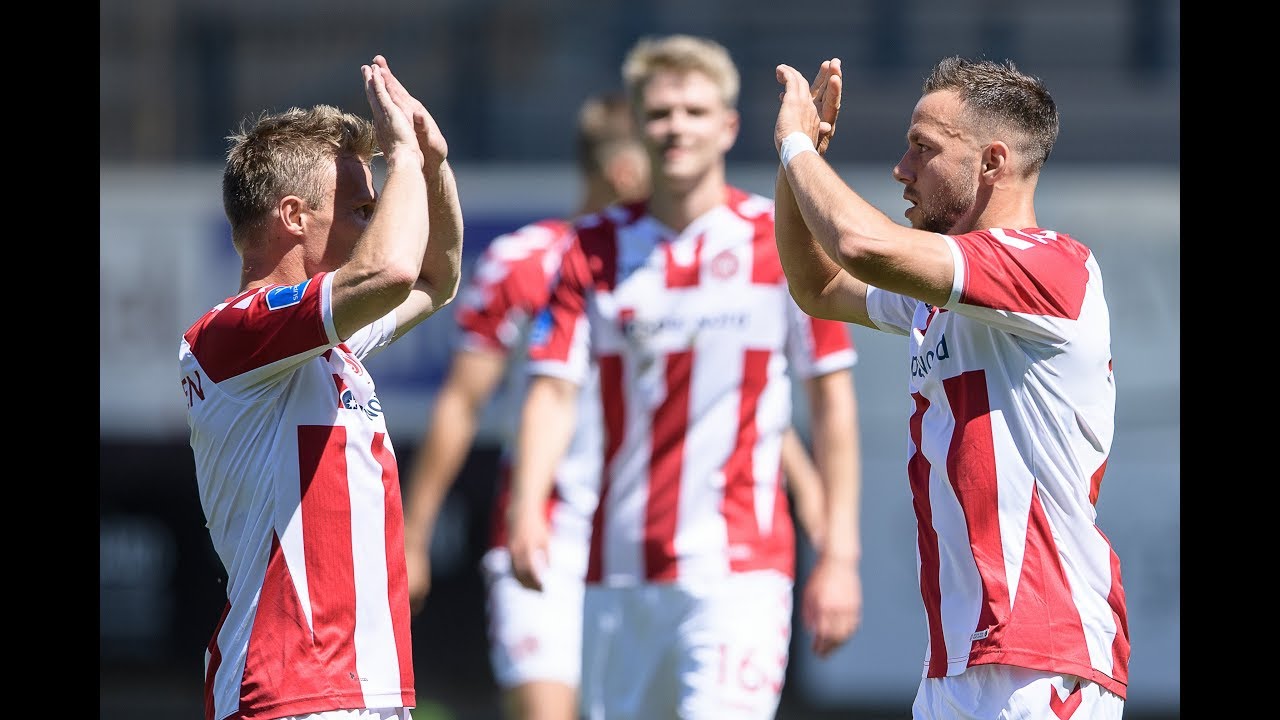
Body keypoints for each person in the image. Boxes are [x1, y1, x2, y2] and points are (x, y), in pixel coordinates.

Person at [506, 34, 865, 720]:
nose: (677, 128)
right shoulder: (590, 248)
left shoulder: (780, 239)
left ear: (729, 126)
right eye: (661, 113)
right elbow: (552, 388)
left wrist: (839, 552)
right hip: (616, 569)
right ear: (638, 125)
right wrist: (528, 506)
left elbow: (831, 400)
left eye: (695, 112)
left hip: (740, 571)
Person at [771, 55, 1130, 719]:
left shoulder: (1051, 264)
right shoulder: (940, 300)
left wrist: (796, 146)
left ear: (993, 162)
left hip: (1039, 659)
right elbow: (817, 285)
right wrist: (799, 168)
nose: (901, 170)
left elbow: (856, 241)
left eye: (923, 149)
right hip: (959, 663)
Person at [178, 55, 463, 720]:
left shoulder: (323, 344)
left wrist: (432, 162)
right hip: (288, 690)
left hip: (366, 688)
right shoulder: (230, 334)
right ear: (295, 216)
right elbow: (394, 272)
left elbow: (435, 279)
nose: (375, 220)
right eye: (361, 208)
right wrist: (401, 158)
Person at [399, 90, 649, 720]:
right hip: (545, 532)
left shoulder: (680, 266)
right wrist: (415, 535)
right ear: (623, 170)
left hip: (648, 537)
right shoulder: (523, 261)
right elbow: (462, 402)